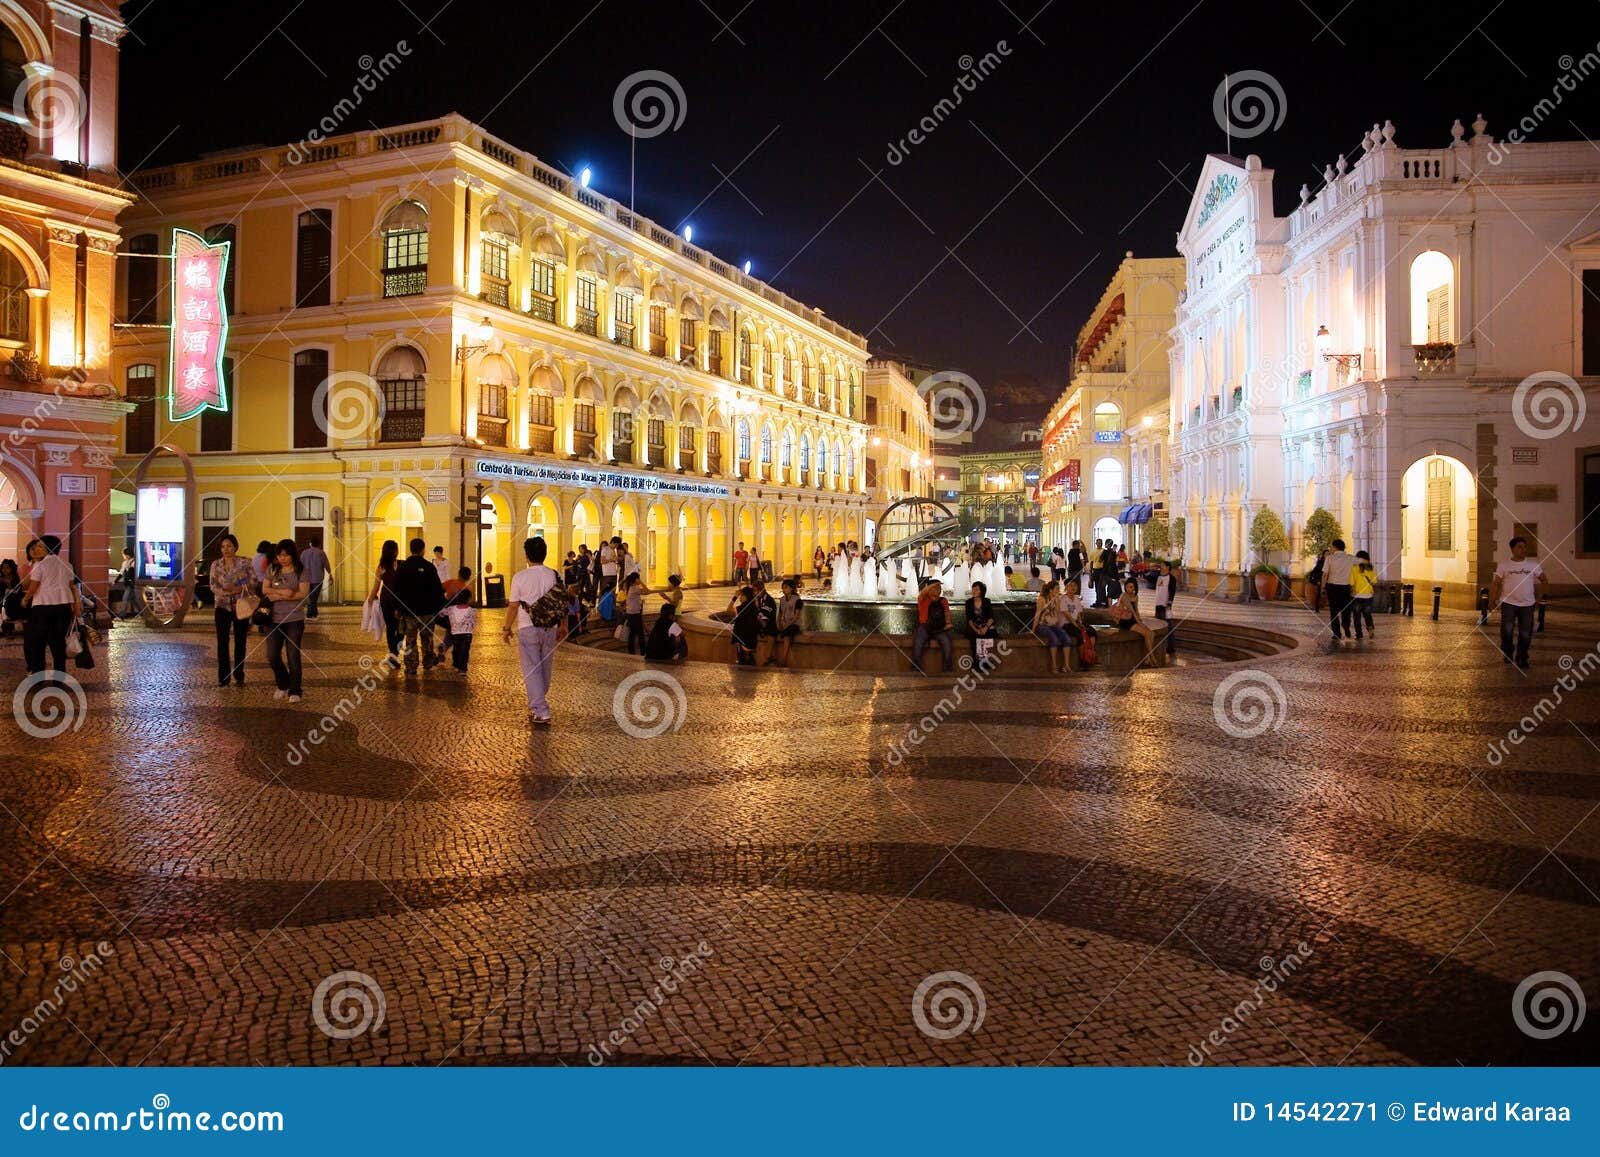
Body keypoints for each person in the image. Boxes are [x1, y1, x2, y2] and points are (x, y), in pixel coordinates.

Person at [502, 536, 565, 724]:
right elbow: (562, 601)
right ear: (545, 554)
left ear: (527, 556)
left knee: (532, 669)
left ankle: (541, 709)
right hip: (550, 627)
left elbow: (513, 606)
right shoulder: (554, 574)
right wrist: (563, 625)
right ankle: (538, 701)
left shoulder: (520, 577)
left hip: (527, 627)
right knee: (545, 667)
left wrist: (506, 628)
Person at [19, 536, 79, 675]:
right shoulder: (67, 564)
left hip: (42, 606)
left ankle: (38, 675)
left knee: (38, 643)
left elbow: (33, 586)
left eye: (40, 546)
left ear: (48, 548)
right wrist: (76, 605)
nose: (36, 549)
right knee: (58, 643)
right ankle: (59, 677)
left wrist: (25, 599)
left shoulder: (39, 565)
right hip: (63, 606)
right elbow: (71, 586)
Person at [263, 539, 310, 702]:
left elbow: (303, 593)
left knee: (293, 655)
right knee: (272, 655)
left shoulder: (301, 571)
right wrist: (286, 592)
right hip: (273, 619)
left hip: (294, 619)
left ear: (292, 554)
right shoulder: (273, 569)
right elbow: (265, 589)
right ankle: (283, 683)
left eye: (286, 555)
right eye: (280, 555)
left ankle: (295, 690)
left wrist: (278, 594)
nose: (282, 558)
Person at [1490, 536, 1547, 670]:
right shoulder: (1504, 565)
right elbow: (1496, 583)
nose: (1523, 550)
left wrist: (1539, 596)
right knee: (1507, 630)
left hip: (1527, 605)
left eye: (1524, 547)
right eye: (1519, 547)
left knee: (1525, 633)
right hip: (1508, 602)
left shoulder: (1533, 565)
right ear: (1512, 549)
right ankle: (1508, 651)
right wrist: (1492, 600)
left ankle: (1522, 657)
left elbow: (1544, 580)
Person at [208, 534, 255, 687]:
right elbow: (213, 585)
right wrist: (224, 592)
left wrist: (239, 588)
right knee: (222, 642)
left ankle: (239, 673)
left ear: (235, 546)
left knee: (240, 641)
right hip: (221, 606)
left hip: (240, 605)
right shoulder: (216, 564)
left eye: (229, 546)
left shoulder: (245, 563)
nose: (226, 549)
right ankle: (224, 677)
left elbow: (254, 581)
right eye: (223, 546)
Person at [393, 537, 445, 672]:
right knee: (427, 638)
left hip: (408, 612)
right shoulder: (429, 567)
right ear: (423, 550)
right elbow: (437, 589)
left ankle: (411, 666)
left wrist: (398, 608)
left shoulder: (403, 567)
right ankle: (428, 663)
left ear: (411, 549)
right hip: (427, 611)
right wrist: (438, 607)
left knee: (410, 640)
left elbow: (396, 589)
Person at [1107, 582, 1161, 665]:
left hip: (1132, 618)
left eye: (1131, 587)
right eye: (1127, 587)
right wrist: (1139, 623)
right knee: (1147, 633)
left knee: (1152, 634)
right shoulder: (1124, 596)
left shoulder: (1135, 597)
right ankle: (1152, 658)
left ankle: (1147, 658)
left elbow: (1136, 610)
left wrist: (1139, 620)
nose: (1129, 589)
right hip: (1125, 620)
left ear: (1134, 588)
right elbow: (1132, 610)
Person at [370, 539, 402, 669]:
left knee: (391, 628)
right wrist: (371, 598)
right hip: (398, 601)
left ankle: (393, 653)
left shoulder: (381, 567)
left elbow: (376, 586)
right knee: (400, 629)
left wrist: (370, 599)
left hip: (386, 600)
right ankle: (394, 654)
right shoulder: (400, 565)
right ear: (395, 551)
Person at [912, 577, 953, 674]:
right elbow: (922, 593)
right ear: (930, 589)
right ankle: (916, 668)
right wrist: (930, 586)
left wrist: (948, 623)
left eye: (940, 588)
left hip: (940, 628)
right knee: (918, 644)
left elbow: (947, 613)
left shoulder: (943, 600)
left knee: (947, 644)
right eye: (937, 587)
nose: (939, 589)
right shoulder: (923, 599)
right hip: (925, 627)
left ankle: (947, 669)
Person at [1031, 579, 1073, 674]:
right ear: (1051, 590)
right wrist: (1033, 629)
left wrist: (1057, 624)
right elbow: (1037, 615)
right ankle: (1054, 666)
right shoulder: (1041, 599)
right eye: (1057, 589)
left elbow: (1057, 614)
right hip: (1042, 625)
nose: (1059, 591)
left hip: (1052, 625)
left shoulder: (1057, 599)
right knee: (1054, 639)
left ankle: (1066, 665)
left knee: (1066, 638)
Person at [1322, 539, 1356, 642]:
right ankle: (1346, 628)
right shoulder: (1350, 558)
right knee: (1346, 610)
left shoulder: (1330, 558)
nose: (1331, 549)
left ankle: (1336, 633)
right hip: (1346, 587)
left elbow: (1325, 574)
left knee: (1334, 611)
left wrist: (1323, 587)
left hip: (1333, 587)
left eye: (1331, 547)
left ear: (1335, 547)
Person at [444, 585, 476, 674]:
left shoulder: (451, 609)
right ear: (469, 599)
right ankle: (462, 668)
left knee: (456, 650)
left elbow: (443, 613)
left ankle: (457, 665)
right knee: (464, 651)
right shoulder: (471, 610)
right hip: (467, 634)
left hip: (455, 634)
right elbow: (473, 622)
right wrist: (470, 628)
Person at [964, 580, 997, 665]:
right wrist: (976, 630)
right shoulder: (968, 602)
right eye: (973, 589)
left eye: (977, 589)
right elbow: (969, 619)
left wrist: (985, 628)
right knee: (975, 638)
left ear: (982, 591)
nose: (974, 591)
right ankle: (978, 663)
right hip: (973, 627)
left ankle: (984, 662)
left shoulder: (986, 601)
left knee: (986, 635)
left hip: (986, 626)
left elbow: (991, 617)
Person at [773, 577, 804, 667]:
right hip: (784, 623)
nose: (783, 589)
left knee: (787, 635)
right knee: (772, 632)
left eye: (786, 587)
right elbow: (780, 614)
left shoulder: (797, 600)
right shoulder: (782, 600)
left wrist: (787, 625)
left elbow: (796, 616)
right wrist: (778, 623)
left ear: (791, 588)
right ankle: (773, 656)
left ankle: (784, 658)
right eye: (783, 587)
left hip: (794, 624)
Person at [1151, 560, 1178, 658]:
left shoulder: (1171, 578)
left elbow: (1172, 591)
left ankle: (1171, 647)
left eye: (1163, 566)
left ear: (1168, 567)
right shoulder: (1158, 576)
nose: (1161, 567)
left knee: (1168, 626)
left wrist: (1169, 603)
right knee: (1158, 625)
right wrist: (1151, 569)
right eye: (1161, 566)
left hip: (1166, 605)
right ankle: (1160, 646)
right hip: (1158, 604)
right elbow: (1148, 578)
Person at [729, 585, 760, 665]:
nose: (740, 597)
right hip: (752, 640)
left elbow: (729, 609)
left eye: (742, 595)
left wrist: (735, 597)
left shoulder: (741, 608)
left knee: (742, 661)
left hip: (741, 639)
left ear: (746, 596)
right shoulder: (754, 606)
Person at [300, 538, 330, 619]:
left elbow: (300, 565)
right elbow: (326, 564)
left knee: (311, 597)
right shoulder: (321, 553)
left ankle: (313, 614)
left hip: (306, 579)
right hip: (317, 578)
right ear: (319, 544)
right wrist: (330, 574)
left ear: (310, 543)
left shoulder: (304, 553)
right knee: (314, 597)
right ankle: (311, 615)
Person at [1350, 551, 1377, 641]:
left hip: (1357, 596)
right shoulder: (1371, 569)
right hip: (1368, 596)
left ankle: (1359, 634)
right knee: (1367, 614)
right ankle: (1370, 628)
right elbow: (1374, 581)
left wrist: (1352, 591)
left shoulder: (1354, 568)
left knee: (1357, 616)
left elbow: (1351, 583)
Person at [750, 576, 778, 664]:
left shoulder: (769, 600)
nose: (754, 593)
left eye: (755, 590)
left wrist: (757, 608)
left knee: (771, 629)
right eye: (753, 591)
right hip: (761, 623)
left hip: (768, 623)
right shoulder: (756, 599)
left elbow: (765, 616)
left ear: (761, 589)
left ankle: (768, 656)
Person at [622, 573, 649, 655]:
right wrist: (641, 582)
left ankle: (631, 651)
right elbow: (647, 591)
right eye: (638, 578)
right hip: (635, 614)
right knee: (640, 634)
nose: (639, 579)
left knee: (632, 633)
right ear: (636, 579)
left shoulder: (630, 587)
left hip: (630, 613)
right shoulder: (634, 588)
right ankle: (643, 652)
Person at [112, 547, 137, 619]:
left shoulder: (134, 562)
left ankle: (122, 613)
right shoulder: (125, 563)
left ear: (127, 555)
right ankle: (139, 612)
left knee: (125, 598)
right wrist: (115, 581)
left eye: (123, 554)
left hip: (131, 584)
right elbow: (121, 573)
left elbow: (132, 573)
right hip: (127, 583)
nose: (123, 556)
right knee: (133, 599)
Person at [0, 557, 22, 636]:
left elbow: (15, 593)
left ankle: (8, 629)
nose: (4, 570)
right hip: (2, 600)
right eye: (3, 568)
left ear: (12, 569)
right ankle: (6, 628)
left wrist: (8, 583)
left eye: (7, 568)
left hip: (13, 601)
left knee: (9, 604)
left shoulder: (16, 579)